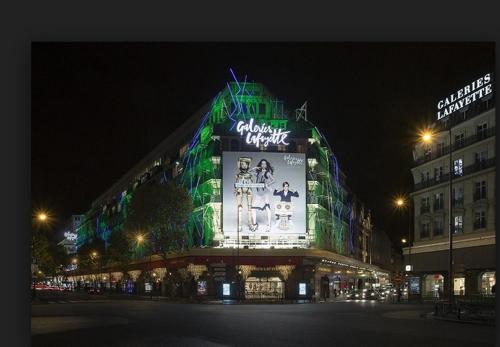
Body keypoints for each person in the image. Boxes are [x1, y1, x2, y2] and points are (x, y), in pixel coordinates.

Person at [250, 159, 275, 232]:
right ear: (260, 165)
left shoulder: (267, 173)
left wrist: (267, 184)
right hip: (259, 193)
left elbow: (274, 180)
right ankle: (254, 224)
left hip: (265, 192)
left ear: (266, 165)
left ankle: (269, 225)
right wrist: (254, 168)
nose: (263, 165)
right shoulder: (258, 173)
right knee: (253, 208)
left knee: (267, 208)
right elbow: (249, 173)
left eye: (264, 164)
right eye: (262, 164)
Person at [234, 157, 257, 232]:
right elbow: (236, 184)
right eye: (242, 164)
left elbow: (251, 183)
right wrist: (237, 189)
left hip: (248, 190)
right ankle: (240, 225)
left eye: (245, 164)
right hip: (240, 190)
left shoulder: (250, 175)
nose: (243, 166)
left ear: (247, 165)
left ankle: (250, 224)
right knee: (240, 208)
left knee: (250, 208)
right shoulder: (238, 175)